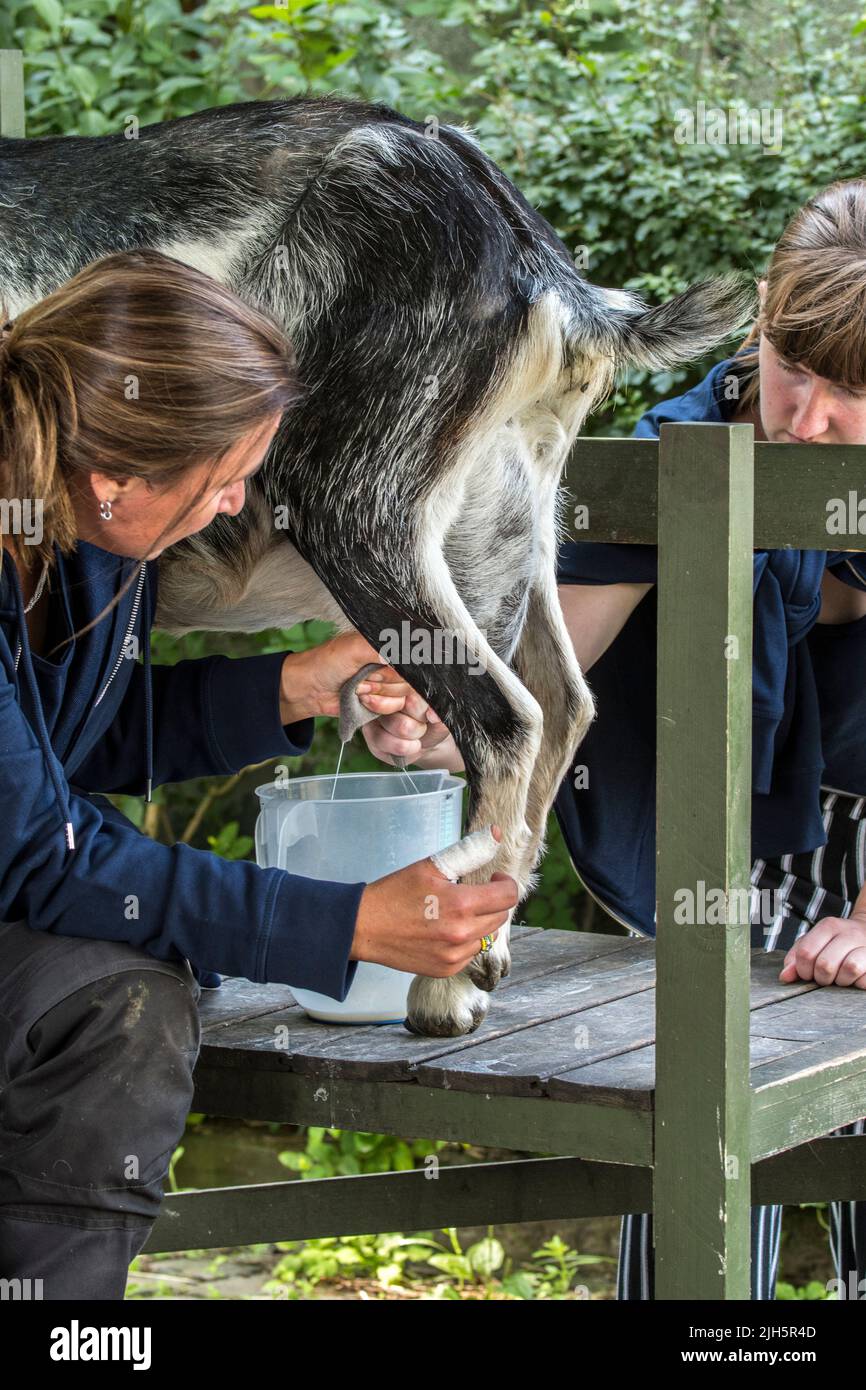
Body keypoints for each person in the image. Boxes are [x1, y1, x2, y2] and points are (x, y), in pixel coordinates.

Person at [0, 246, 516, 1299]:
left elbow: (69, 744)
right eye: (227, 479)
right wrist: (340, 924)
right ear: (118, 479)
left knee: (124, 996)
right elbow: (37, 852)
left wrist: (297, 682)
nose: (237, 506)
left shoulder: (86, 533)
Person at [395, 178, 866, 1300]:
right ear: (760, 315)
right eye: (792, 371)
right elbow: (546, 664)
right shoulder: (680, 444)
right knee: (694, 1160)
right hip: (718, 834)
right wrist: (437, 707)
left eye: (852, 395)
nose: (804, 423)